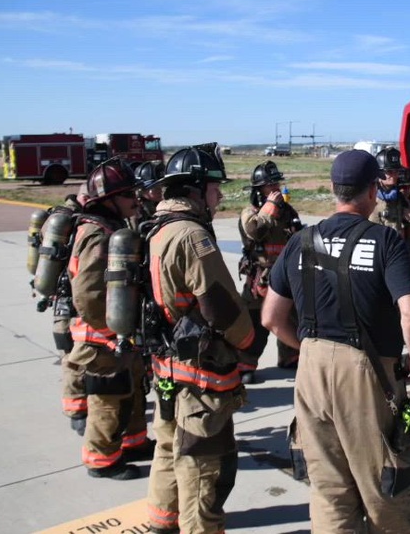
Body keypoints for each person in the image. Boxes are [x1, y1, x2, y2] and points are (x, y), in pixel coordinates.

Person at [261, 149, 410, 533]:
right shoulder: (385, 241)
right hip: (367, 374)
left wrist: (307, 349)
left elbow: (271, 317)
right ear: (372, 191)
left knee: (329, 486)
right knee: (382, 482)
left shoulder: (302, 240)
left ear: (336, 191)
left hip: (311, 372)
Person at [145, 146, 255, 534]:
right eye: (214, 187)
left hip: (167, 366)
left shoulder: (154, 228)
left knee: (168, 445)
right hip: (199, 376)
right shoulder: (192, 237)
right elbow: (221, 308)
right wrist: (248, 339)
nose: (220, 195)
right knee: (203, 465)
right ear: (195, 189)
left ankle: (163, 520)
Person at [66, 159, 152, 480]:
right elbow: (87, 294)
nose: (135, 199)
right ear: (108, 199)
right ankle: (101, 460)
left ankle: (133, 442)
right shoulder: (97, 234)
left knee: (132, 391)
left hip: (119, 333)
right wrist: (110, 330)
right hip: (101, 339)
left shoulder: (115, 227)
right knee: (107, 399)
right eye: (127, 194)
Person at [237, 160, 302, 383]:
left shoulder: (287, 212)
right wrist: (270, 208)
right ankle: (245, 364)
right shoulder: (251, 213)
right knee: (254, 322)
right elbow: (254, 230)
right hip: (259, 278)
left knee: (290, 317)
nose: (274, 188)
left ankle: (290, 357)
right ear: (258, 189)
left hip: (285, 276)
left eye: (276, 183)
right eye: (269, 185)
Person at [54, 184, 89, 435]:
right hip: (69, 298)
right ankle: (76, 409)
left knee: (76, 353)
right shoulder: (67, 221)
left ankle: (81, 406)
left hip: (71, 295)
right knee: (73, 355)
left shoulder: (73, 219)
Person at [370, 147, 410, 268]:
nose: (394, 175)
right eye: (390, 172)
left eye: (396, 171)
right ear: (380, 173)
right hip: (378, 257)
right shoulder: (370, 198)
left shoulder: (401, 200)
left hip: (399, 255)